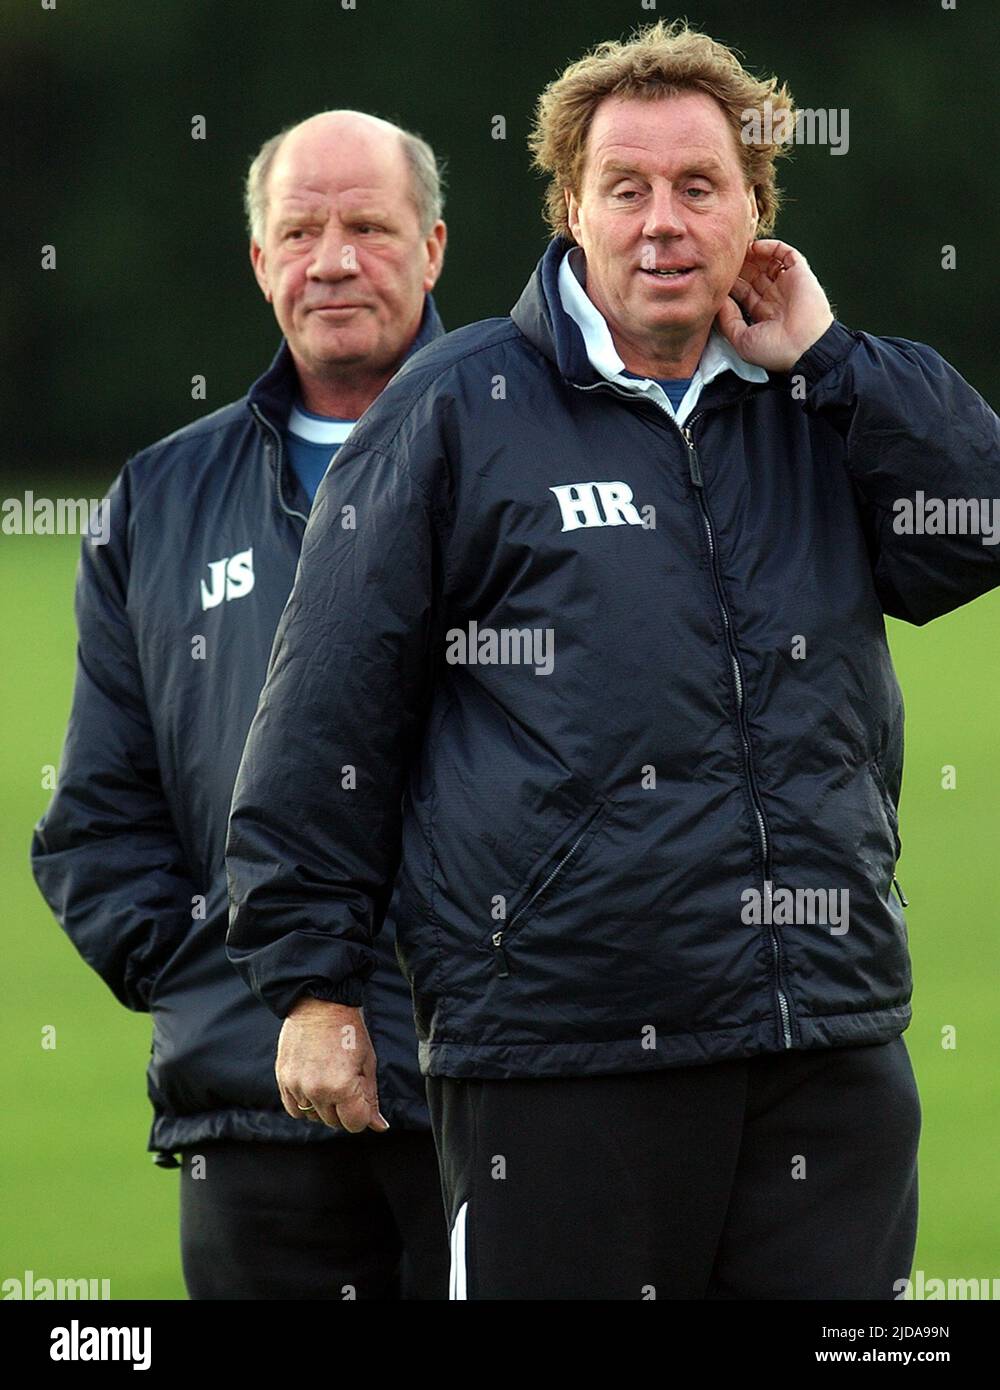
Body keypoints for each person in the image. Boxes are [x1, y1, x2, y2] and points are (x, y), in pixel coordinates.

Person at [224, 23, 1000, 1299]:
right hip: (559, 1052)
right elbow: (326, 709)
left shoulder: (819, 400)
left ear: (757, 208)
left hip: (825, 1041)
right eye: (624, 188)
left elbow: (971, 533)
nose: (663, 223)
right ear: (568, 206)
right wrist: (310, 983)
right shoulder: (451, 408)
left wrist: (837, 356)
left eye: (701, 188)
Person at [31, 109, 450, 1300]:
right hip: (252, 1122)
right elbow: (96, 823)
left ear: (431, 247)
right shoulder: (158, 500)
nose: (332, 260)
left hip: (493, 1099)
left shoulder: (533, 450)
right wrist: (234, 987)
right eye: (299, 230)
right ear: (259, 259)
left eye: (368, 228)